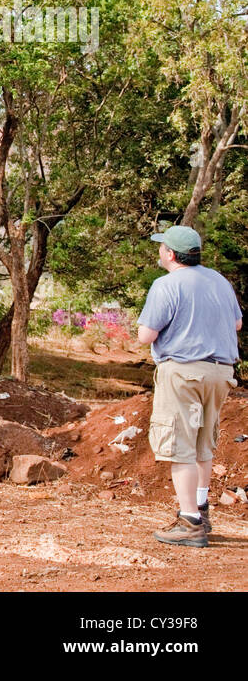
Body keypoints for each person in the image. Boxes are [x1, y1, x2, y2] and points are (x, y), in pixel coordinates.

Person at [137, 226, 241, 548]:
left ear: (170, 254)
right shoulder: (220, 282)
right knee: (202, 443)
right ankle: (202, 508)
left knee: (180, 444)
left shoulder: (166, 285)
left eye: (161, 247)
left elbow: (146, 335)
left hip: (183, 372)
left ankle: (189, 521)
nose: (160, 251)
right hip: (221, 372)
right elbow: (237, 323)